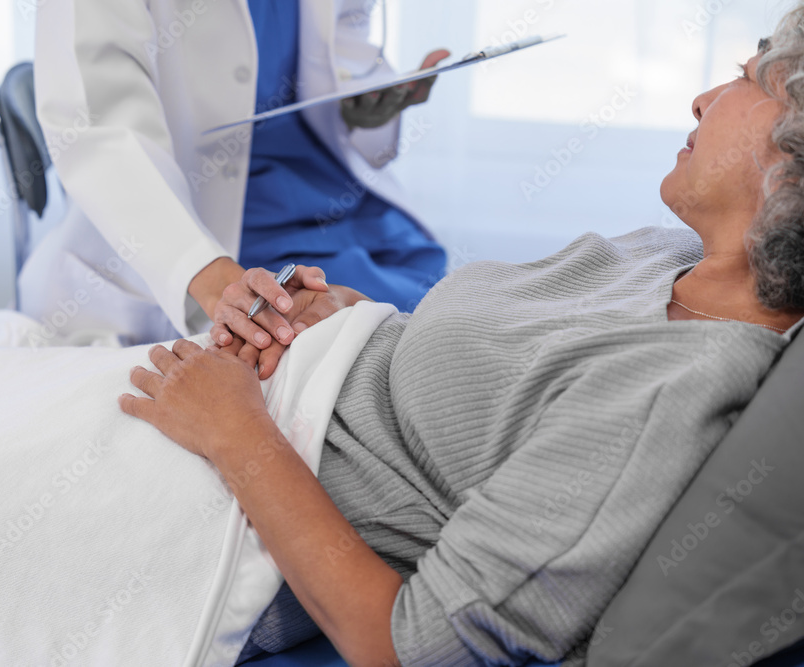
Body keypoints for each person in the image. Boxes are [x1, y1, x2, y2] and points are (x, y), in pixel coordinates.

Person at [118, 4, 804, 664]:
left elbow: (401, 646)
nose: (702, 98)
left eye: (746, 79)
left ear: (793, 164)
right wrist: (352, 318)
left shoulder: (674, 389)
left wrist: (236, 432)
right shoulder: (665, 254)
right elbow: (486, 395)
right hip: (227, 403)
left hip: (203, 515)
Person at [24, 0, 448, 358]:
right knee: (366, 365)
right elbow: (100, 127)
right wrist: (209, 275)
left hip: (343, 212)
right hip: (200, 240)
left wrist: (363, 105)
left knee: (440, 336)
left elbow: (344, 43)